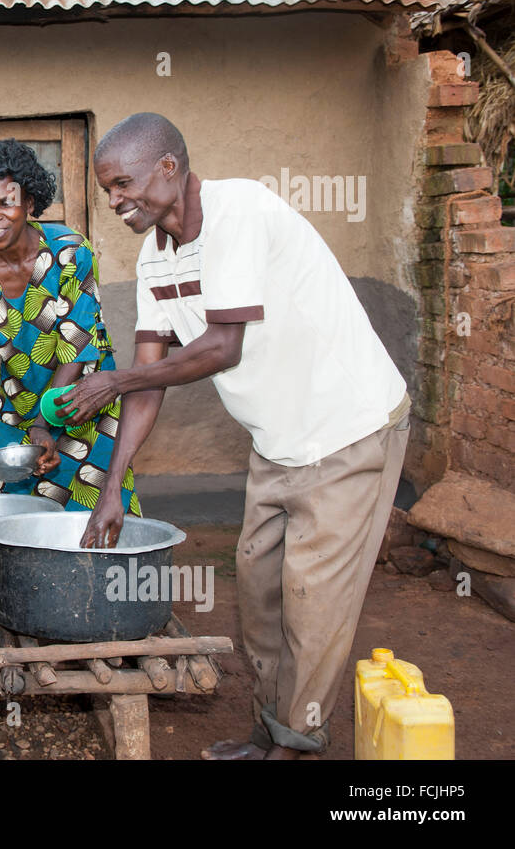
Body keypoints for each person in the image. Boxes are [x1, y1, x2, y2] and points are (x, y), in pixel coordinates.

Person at [58, 113, 409, 759]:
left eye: (123, 184)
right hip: (278, 444)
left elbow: (222, 345)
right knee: (260, 590)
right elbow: (150, 382)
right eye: (108, 189)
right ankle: (267, 732)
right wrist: (112, 487)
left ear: (169, 168)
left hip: (347, 428)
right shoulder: (153, 257)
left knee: (313, 602)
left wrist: (116, 378)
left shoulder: (239, 213)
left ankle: (298, 745)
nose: (114, 202)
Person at [0, 139, 140, 517]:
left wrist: (44, 425)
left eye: (7, 203)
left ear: (30, 204)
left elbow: (76, 343)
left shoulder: (70, 254)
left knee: (88, 512)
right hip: (12, 409)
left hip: (79, 400)